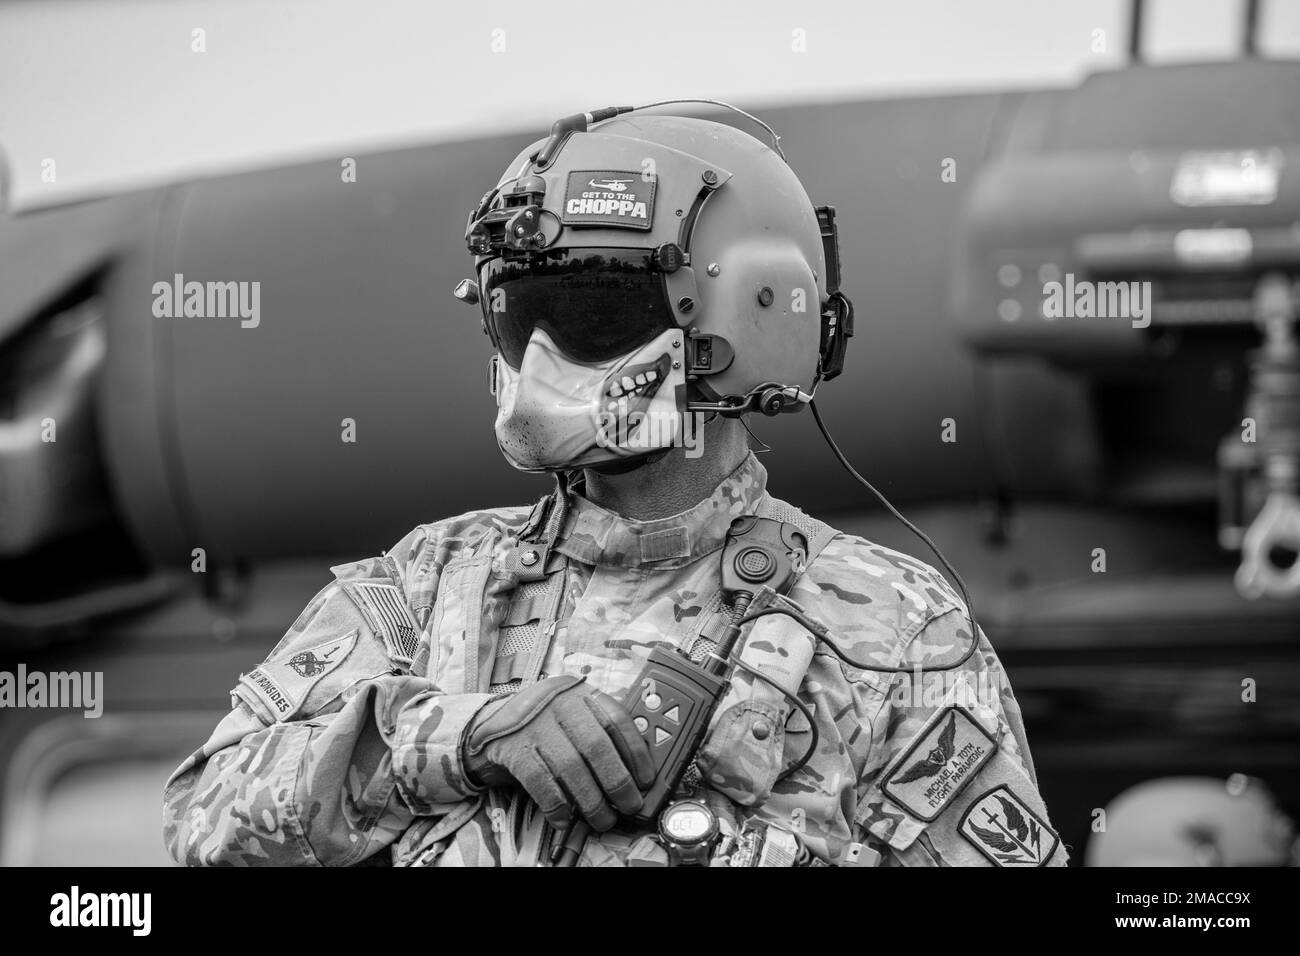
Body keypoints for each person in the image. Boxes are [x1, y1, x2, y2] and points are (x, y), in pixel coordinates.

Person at [162, 104, 1066, 867]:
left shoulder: (888, 630)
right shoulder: (424, 584)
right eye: (524, 318)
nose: (547, 360)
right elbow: (203, 820)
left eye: (596, 315)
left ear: (746, 315)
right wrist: (464, 737)